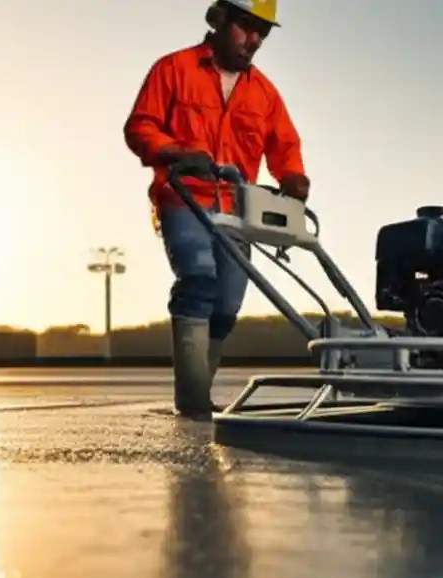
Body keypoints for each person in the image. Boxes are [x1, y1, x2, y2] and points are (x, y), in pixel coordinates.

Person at [123, 0, 309, 420]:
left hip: (238, 207)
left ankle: (199, 393)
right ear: (220, 19)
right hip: (184, 196)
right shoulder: (173, 69)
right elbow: (140, 127)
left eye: (263, 32)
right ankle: (191, 401)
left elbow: (285, 145)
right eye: (247, 27)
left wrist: (294, 178)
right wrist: (175, 151)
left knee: (226, 304)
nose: (255, 40)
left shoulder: (264, 92)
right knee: (198, 279)